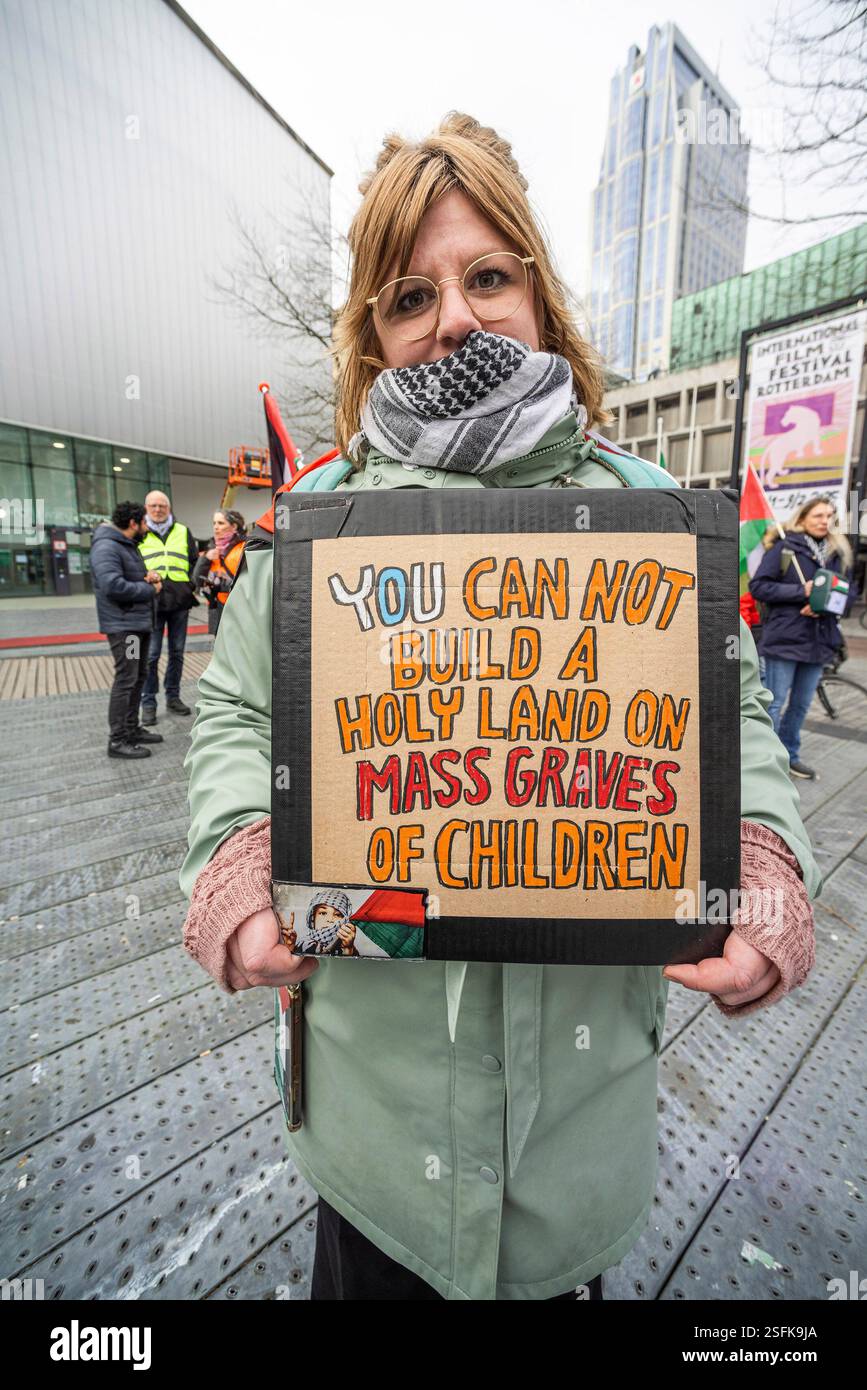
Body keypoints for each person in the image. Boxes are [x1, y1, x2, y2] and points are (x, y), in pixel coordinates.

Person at [178, 114, 821, 1302]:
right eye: (410, 295)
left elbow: (732, 728)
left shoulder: (654, 522)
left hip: (567, 1159)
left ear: (538, 289)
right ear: (374, 333)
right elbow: (235, 714)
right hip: (377, 1153)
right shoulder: (315, 528)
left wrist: (765, 864)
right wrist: (237, 855)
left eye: (485, 277)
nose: (455, 317)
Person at [750, 496, 855, 780]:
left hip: (820, 640)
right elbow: (759, 586)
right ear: (803, 518)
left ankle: (789, 756)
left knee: (800, 705)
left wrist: (828, 603)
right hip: (785, 638)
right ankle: (765, 759)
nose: (824, 521)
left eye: (829, 516)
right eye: (818, 515)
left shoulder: (837, 553)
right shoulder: (786, 548)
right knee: (774, 702)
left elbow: (850, 591)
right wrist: (802, 593)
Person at [90, 501, 165, 759]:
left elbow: (125, 579)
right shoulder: (107, 547)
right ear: (133, 523)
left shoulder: (125, 546)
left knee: (138, 676)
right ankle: (118, 740)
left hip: (136, 624)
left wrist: (147, 577)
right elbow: (112, 586)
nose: (147, 527)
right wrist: (149, 589)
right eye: (144, 522)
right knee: (127, 679)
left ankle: (132, 730)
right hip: (126, 628)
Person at [138, 489, 199, 723]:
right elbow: (134, 562)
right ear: (146, 509)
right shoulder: (141, 532)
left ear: (169, 508)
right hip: (151, 601)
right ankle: (148, 702)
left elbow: (194, 561)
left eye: (162, 506)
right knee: (151, 655)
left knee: (176, 653)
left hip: (179, 602)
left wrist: (191, 584)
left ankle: (173, 697)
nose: (157, 510)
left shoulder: (183, 531)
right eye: (153, 506)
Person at [193, 509, 247, 635]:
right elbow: (196, 581)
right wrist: (205, 559)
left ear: (234, 526)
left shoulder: (243, 548)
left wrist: (220, 585)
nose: (216, 527)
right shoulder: (212, 548)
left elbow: (248, 584)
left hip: (239, 610)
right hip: (217, 609)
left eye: (221, 523)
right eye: (214, 523)